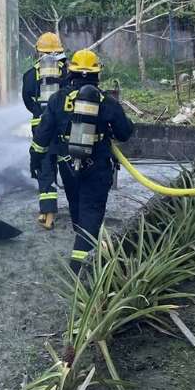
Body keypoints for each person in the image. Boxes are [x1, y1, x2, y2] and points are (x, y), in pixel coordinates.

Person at [32, 49, 134, 272]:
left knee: (78, 210)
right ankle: (80, 267)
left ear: (71, 71)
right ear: (97, 73)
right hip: (97, 167)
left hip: (68, 165)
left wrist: (35, 159)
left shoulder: (57, 98)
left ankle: (85, 253)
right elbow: (125, 132)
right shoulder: (105, 101)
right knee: (92, 212)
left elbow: (42, 135)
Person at [22, 32, 67, 229]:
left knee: (44, 166)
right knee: (67, 165)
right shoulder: (67, 74)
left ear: (38, 52)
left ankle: (46, 213)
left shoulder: (31, 75)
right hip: (62, 129)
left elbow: (27, 100)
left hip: (40, 129)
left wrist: (39, 114)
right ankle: (76, 209)